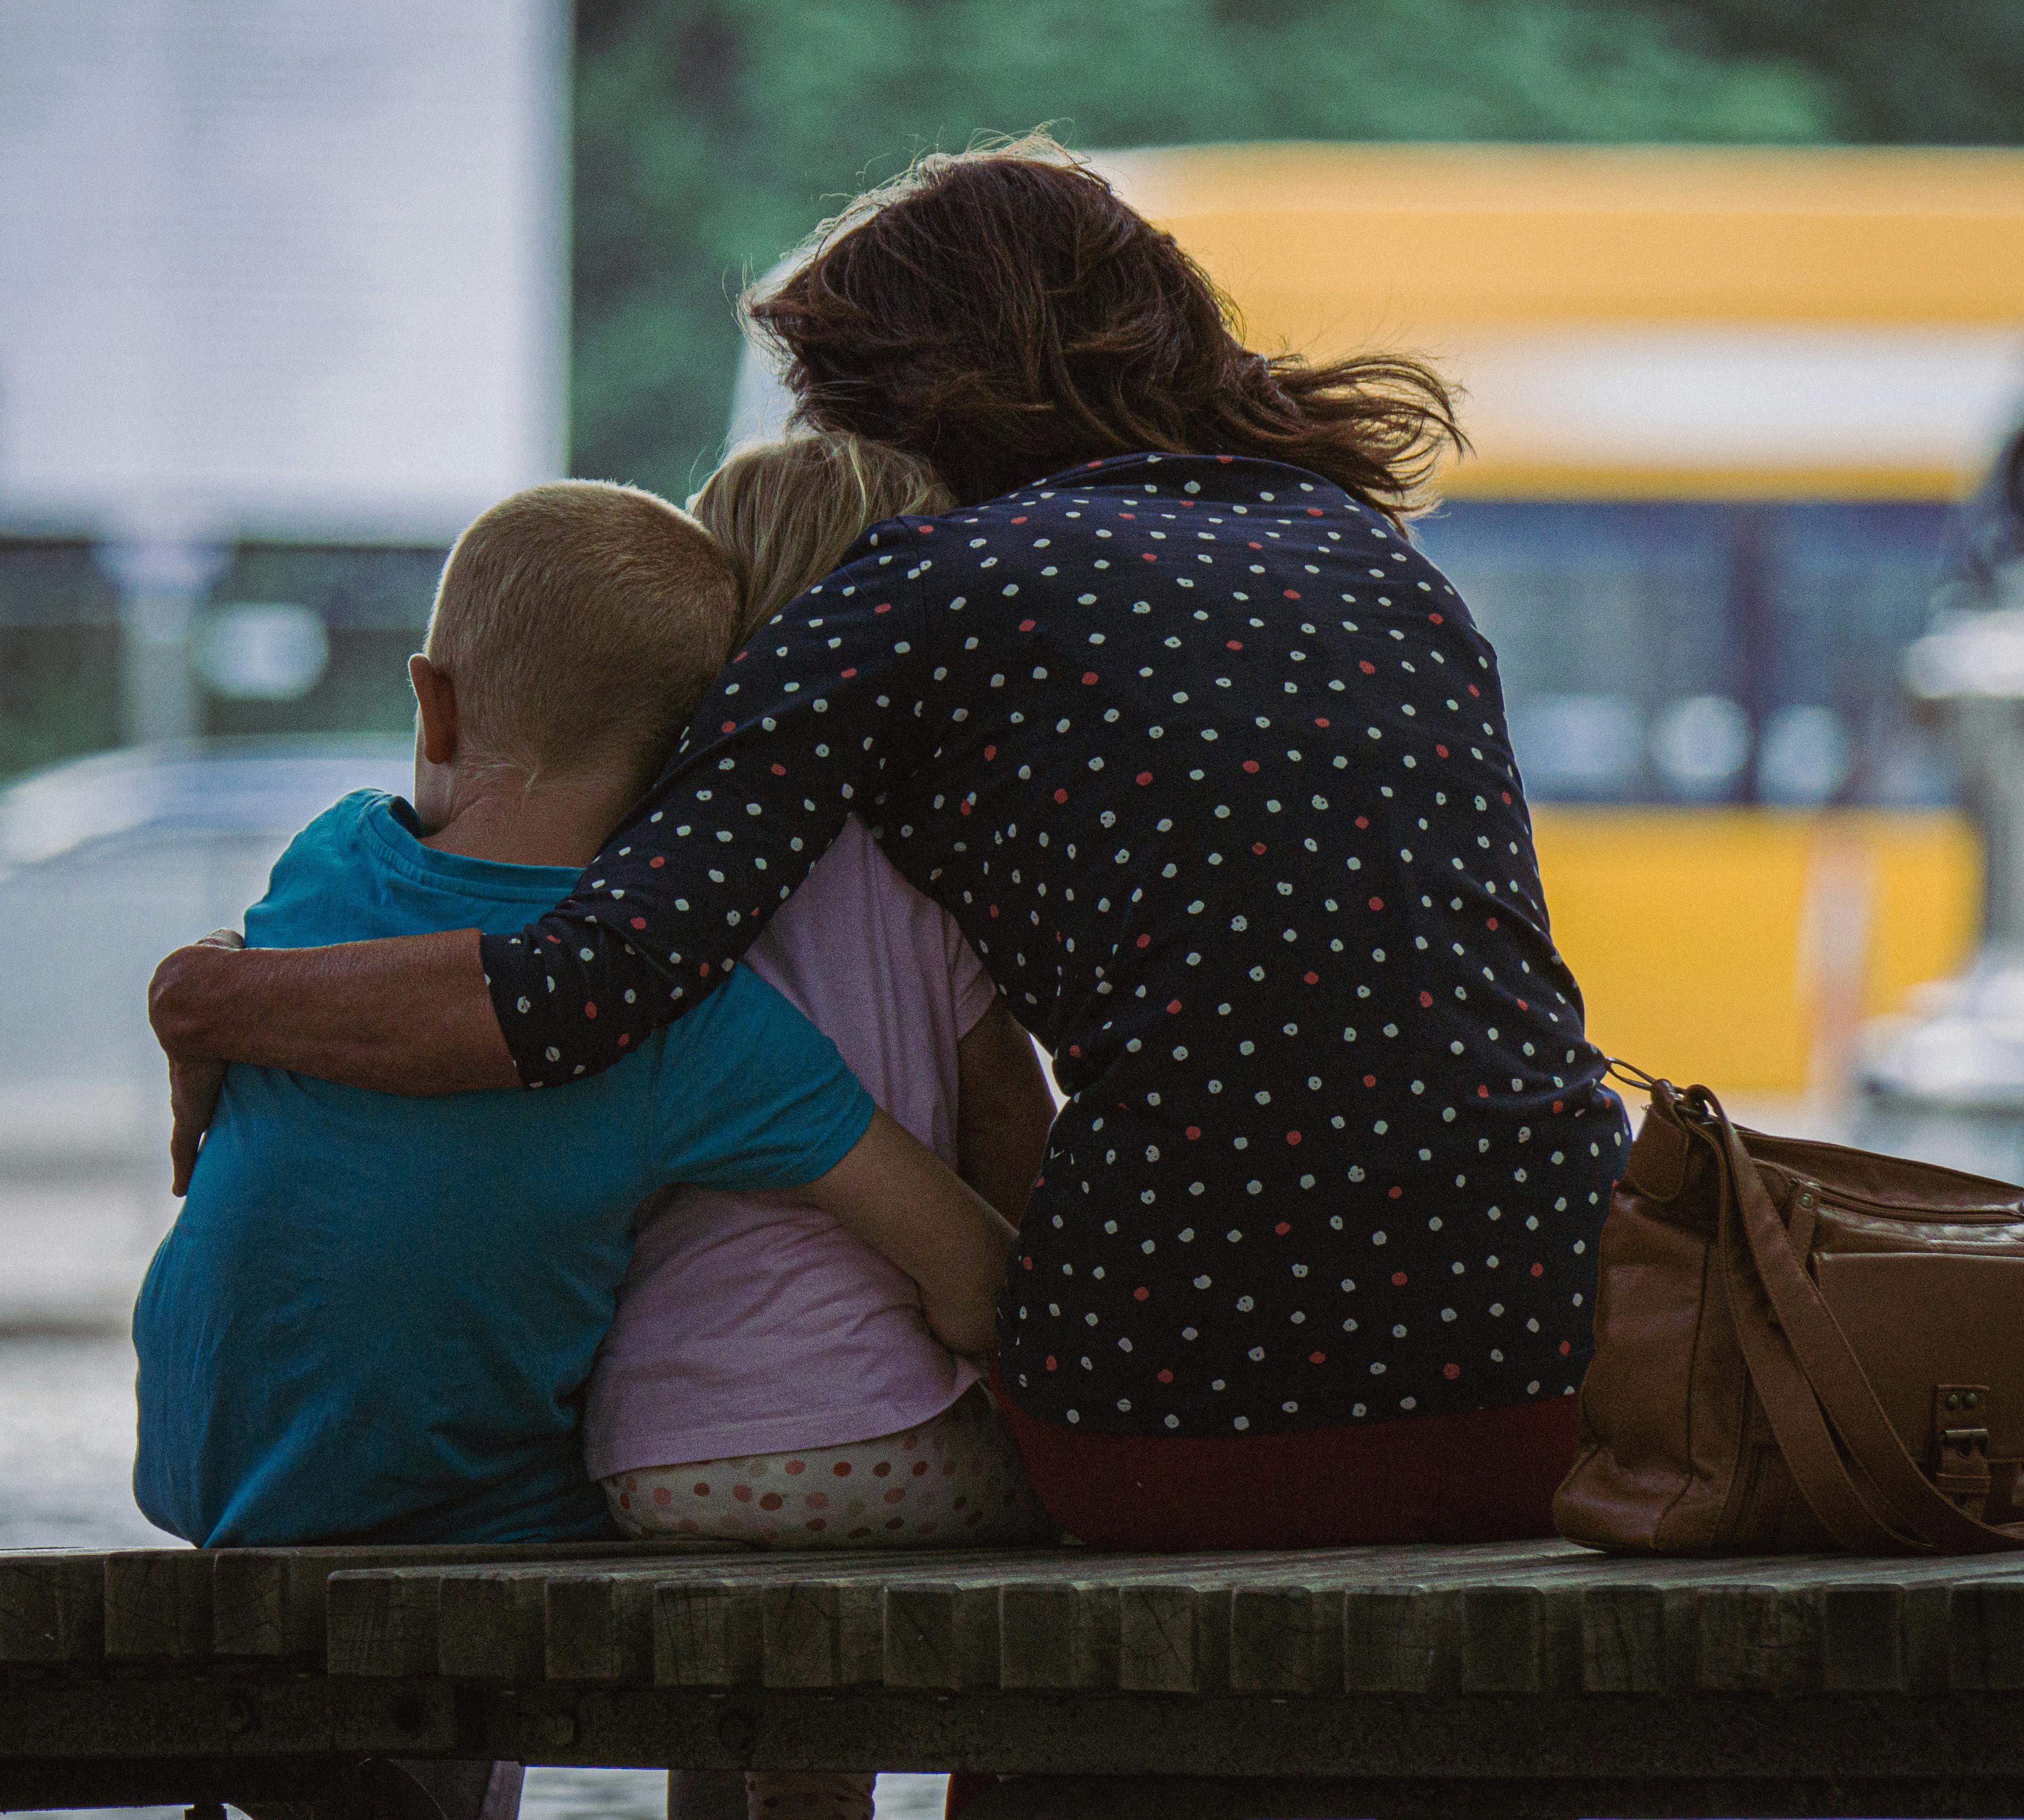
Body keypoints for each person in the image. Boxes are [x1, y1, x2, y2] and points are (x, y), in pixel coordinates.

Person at [149, 136, 1632, 1553]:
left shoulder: (911, 596)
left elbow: (589, 988)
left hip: (1181, 1414)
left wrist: (215, 999)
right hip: (1564, 1372)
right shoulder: (1378, 560)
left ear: (919, 403)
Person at [132, 478, 1013, 1549]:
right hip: (461, 1524)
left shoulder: (328, 854)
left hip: (186, 1472)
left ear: (435, 704)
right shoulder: (684, 1017)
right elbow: (971, 1271)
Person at [593, 433, 1058, 1820]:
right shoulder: (930, 853)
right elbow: (1011, 1142)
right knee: (1089, 1503)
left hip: (651, 1444)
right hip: (870, 1441)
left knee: (725, 1696)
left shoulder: (650, 850)